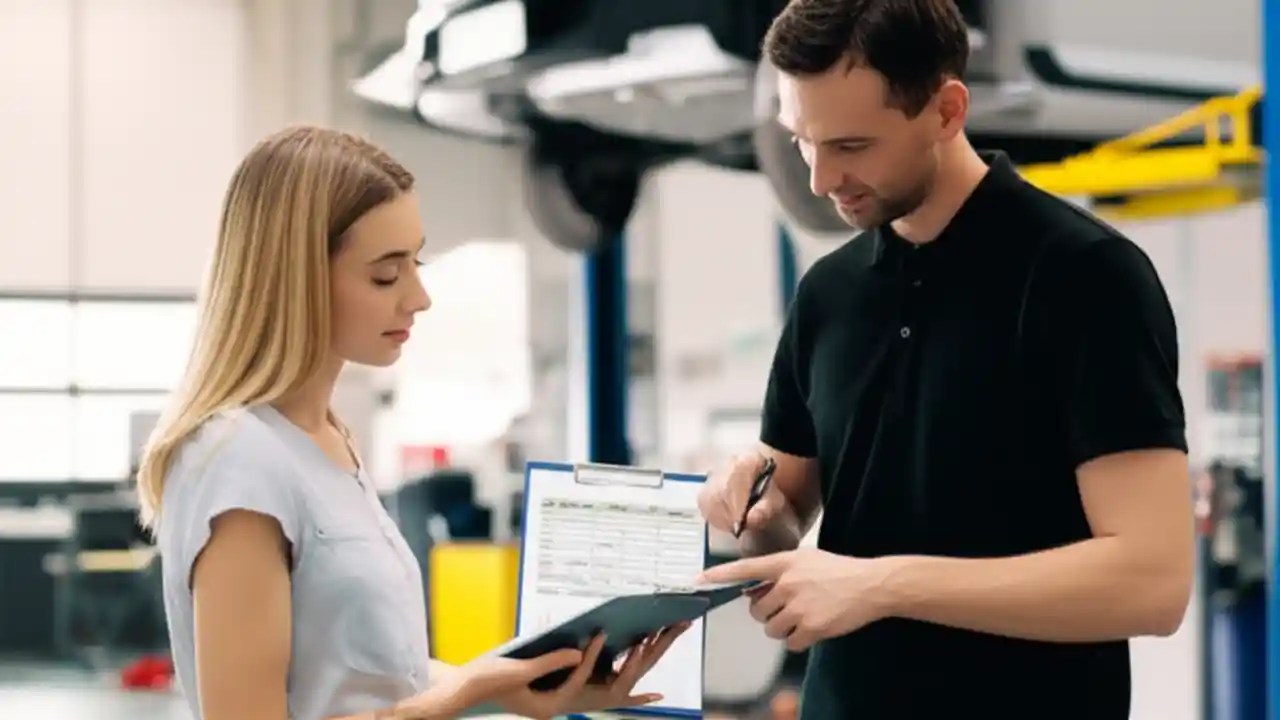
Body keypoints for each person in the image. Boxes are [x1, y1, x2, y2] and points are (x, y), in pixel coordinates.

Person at [696, 1, 1194, 718]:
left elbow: (1151, 582)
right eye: (803, 141)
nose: (819, 178)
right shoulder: (828, 295)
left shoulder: (1084, 277)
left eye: (852, 145)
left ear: (946, 110)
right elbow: (787, 515)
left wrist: (882, 586)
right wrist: (751, 504)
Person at [135, 126, 687, 720]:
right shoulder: (239, 460)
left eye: (415, 263)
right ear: (297, 279)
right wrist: (461, 695)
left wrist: (508, 683)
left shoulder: (327, 441)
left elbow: (375, 670)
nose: (419, 297)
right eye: (385, 274)